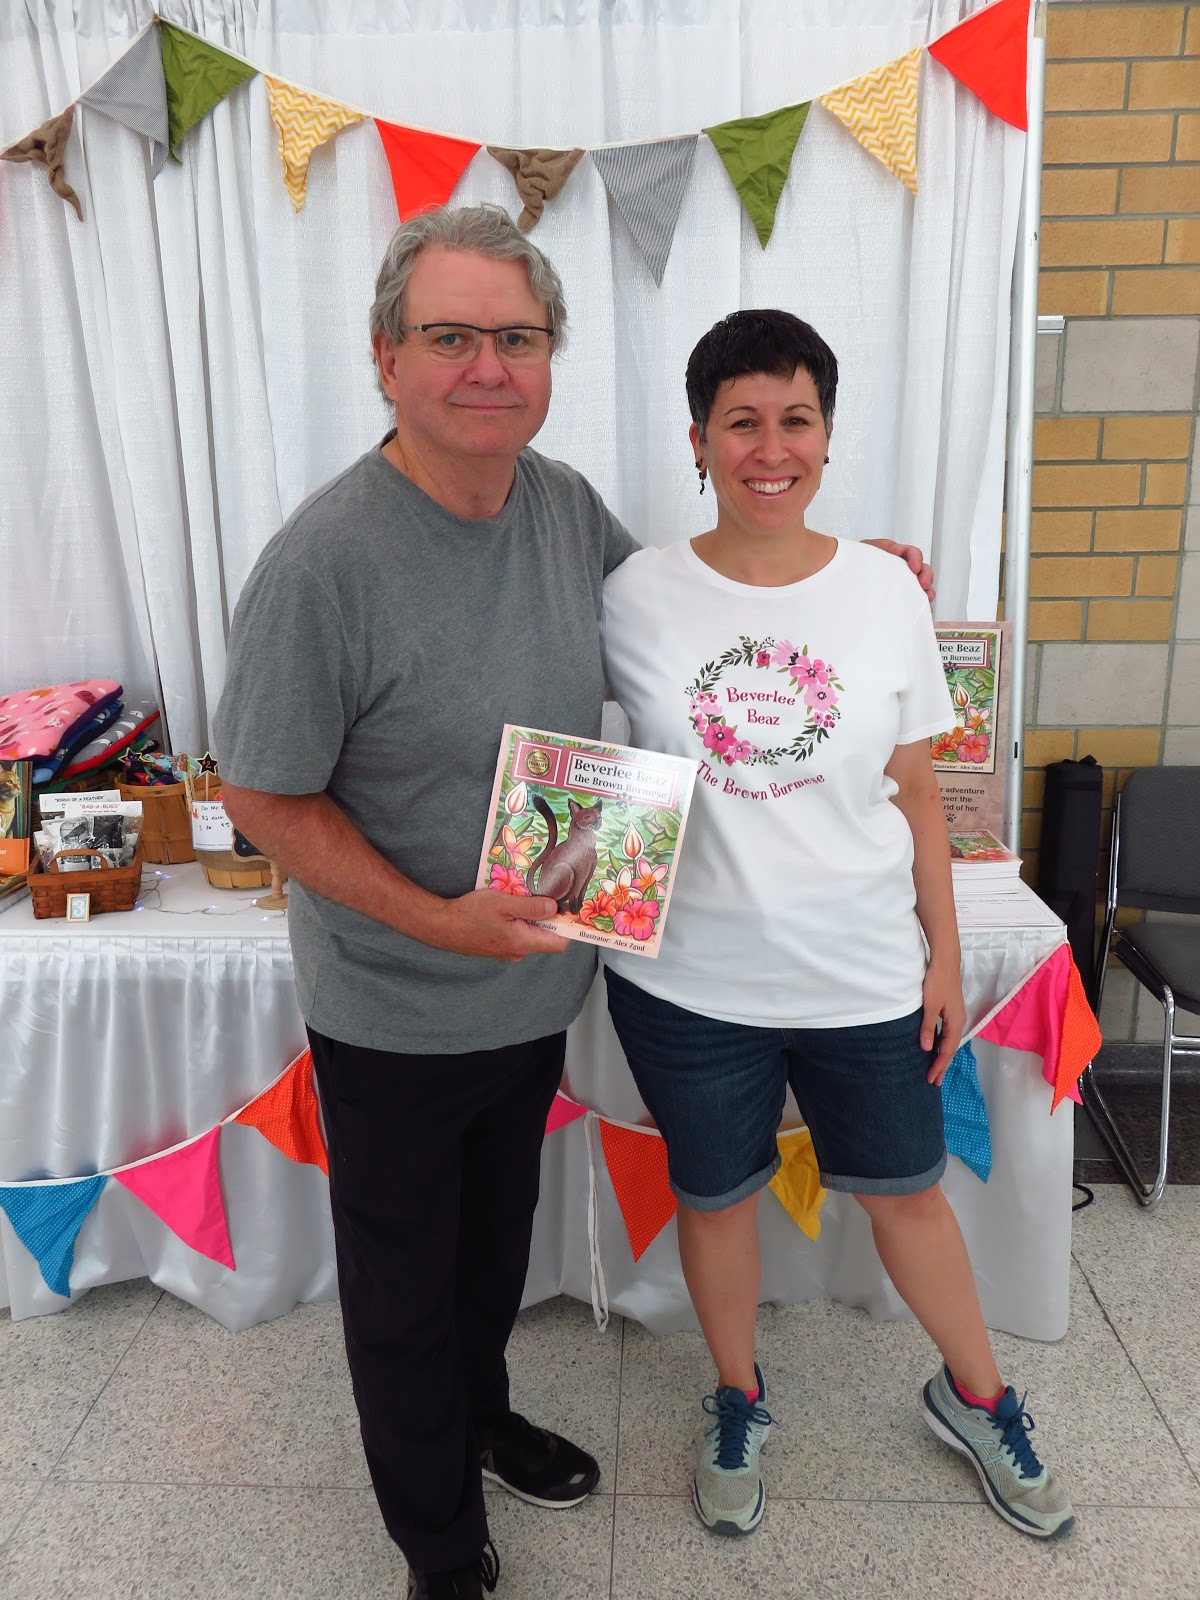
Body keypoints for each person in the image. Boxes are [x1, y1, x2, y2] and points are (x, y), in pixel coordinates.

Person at [213, 208, 934, 1598]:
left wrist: (850, 587)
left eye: (519, 338)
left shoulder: (557, 503)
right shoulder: (322, 563)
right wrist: (437, 921)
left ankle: (478, 1422)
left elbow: (689, 612)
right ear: (385, 358)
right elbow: (262, 797)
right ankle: (436, 1541)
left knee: (492, 1260)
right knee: (407, 1290)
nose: (488, 366)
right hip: (398, 1007)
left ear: (551, 359)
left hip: (535, 986)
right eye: (452, 337)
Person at [600, 309, 1075, 1545]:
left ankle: (979, 1395)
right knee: (715, 1198)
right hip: (689, 980)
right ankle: (738, 1398)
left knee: (908, 1193)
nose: (772, 448)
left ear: (827, 431)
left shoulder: (882, 590)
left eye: (796, 419)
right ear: (697, 438)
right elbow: (586, 757)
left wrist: (947, 960)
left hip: (865, 974)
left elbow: (917, 792)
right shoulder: (637, 592)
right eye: (742, 421)